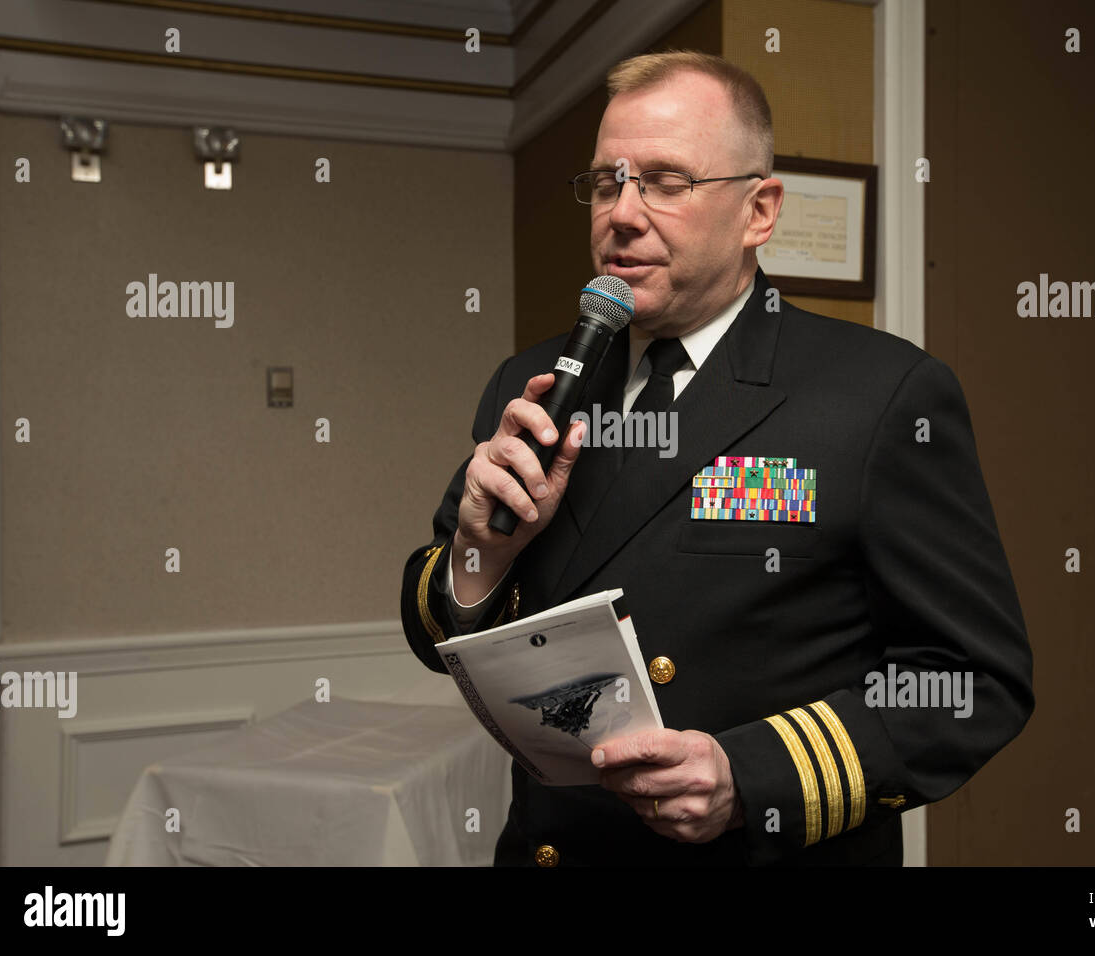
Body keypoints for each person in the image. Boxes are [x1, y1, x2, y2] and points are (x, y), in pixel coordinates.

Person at [401, 50, 1033, 867]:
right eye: (605, 181)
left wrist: (751, 777)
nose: (621, 214)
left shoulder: (879, 395)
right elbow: (437, 628)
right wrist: (481, 553)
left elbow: (973, 682)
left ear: (759, 210)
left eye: (666, 181)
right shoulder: (530, 384)